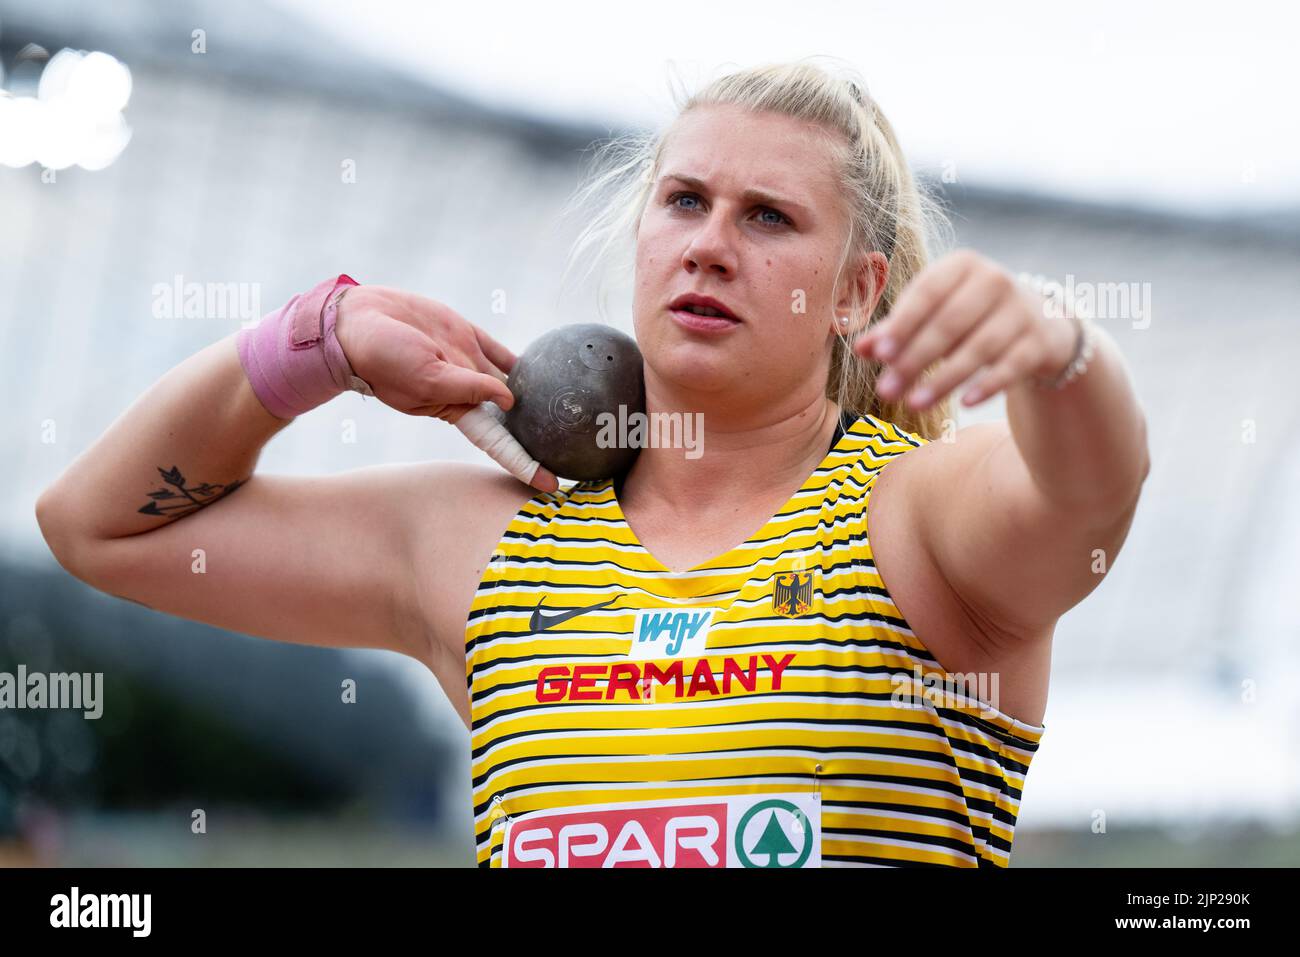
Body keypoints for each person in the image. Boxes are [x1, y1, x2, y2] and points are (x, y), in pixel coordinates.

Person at [35, 58, 1149, 868]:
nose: (710, 241)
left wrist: (1061, 353)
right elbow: (100, 527)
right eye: (684, 202)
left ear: (855, 292)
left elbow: (1093, 491)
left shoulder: (915, 522)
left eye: (768, 218)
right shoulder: (488, 545)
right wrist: (318, 340)